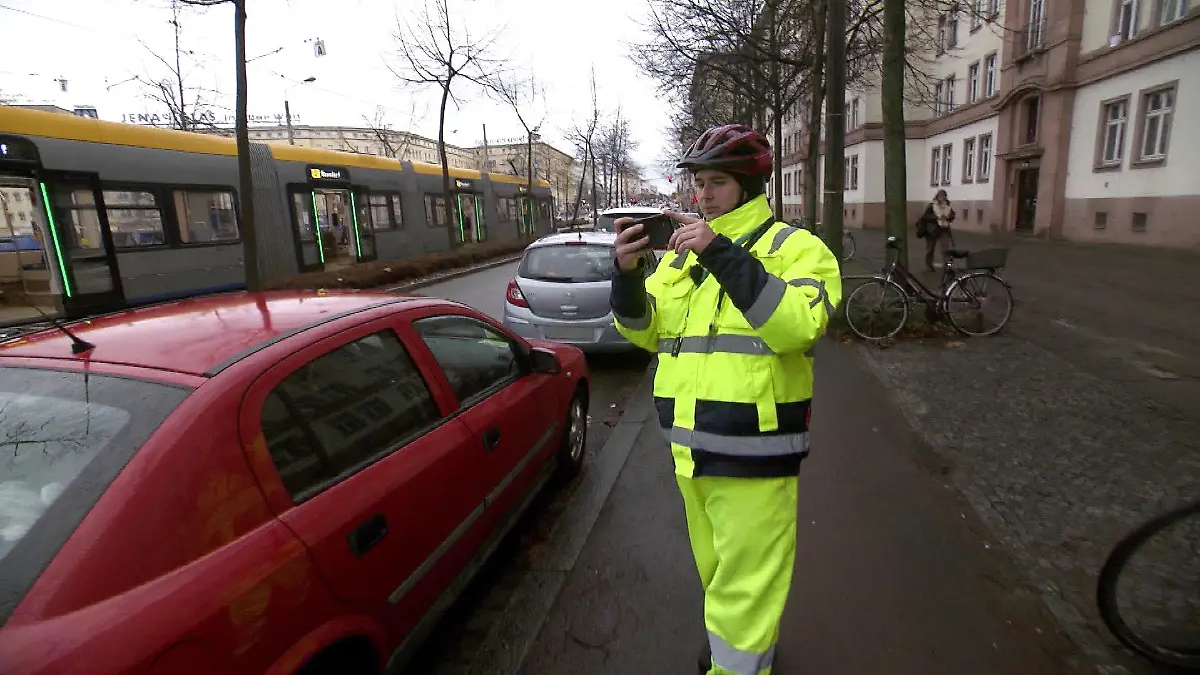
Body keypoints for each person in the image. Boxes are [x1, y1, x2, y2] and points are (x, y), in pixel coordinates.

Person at [609, 123, 842, 675]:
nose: (703, 195)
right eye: (698, 184)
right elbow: (644, 332)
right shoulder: (681, 255)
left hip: (755, 454)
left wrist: (721, 253)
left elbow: (797, 327)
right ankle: (732, 652)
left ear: (748, 185)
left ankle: (734, 667)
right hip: (688, 453)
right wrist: (625, 276)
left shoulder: (796, 249)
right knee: (718, 574)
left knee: (746, 585)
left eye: (716, 183)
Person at [918, 188, 956, 271]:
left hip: (944, 229)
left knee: (946, 248)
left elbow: (952, 215)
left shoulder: (947, 205)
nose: (942, 198)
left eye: (944, 196)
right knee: (930, 249)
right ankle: (929, 264)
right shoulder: (932, 205)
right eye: (940, 196)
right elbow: (925, 216)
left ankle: (947, 265)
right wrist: (936, 217)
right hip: (932, 230)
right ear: (937, 197)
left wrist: (949, 216)